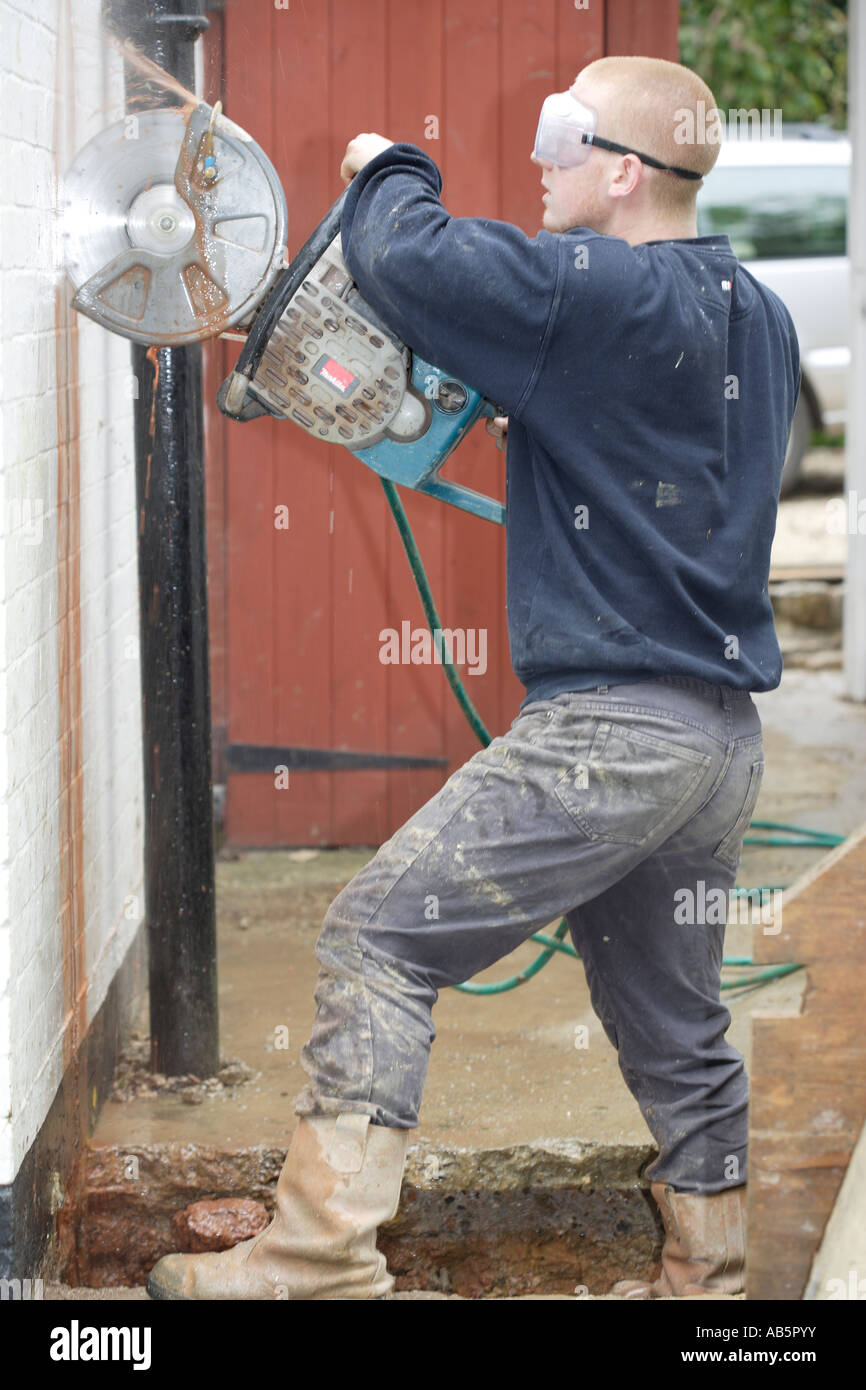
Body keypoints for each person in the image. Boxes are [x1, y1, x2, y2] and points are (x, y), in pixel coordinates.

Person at [148, 55, 800, 1301]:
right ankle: (714, 1282)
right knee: (673, 1025)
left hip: (610, 734)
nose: (542, 158)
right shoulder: (753, 312)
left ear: (623, 169)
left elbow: (404, 257)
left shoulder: (591, 289)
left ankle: (318, 1259)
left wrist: (383, 163)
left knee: (377, 939)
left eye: (564, 135)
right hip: (716, 741)